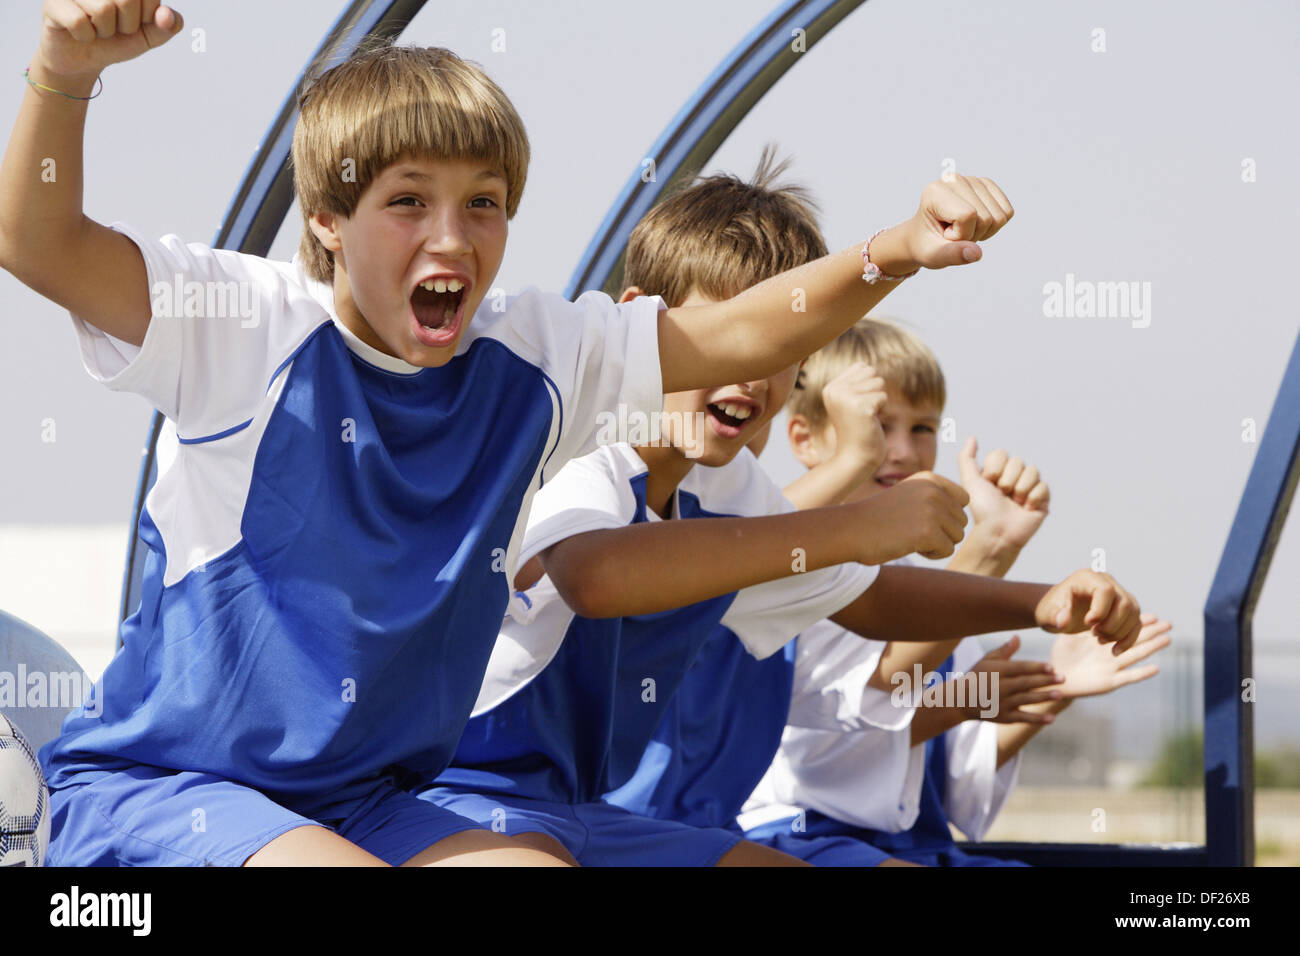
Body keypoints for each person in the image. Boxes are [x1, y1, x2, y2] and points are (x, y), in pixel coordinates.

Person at [1, 5, 1003, 866]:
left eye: (483, 202)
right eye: (407, 201)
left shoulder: (533, 357)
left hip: (373, 796)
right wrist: (65, 69)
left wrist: (897, 248)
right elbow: (35, 240)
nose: (452, 235)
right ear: (323, 224)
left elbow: (742, 327)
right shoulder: (240, 324)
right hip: (171, 781)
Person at [418, 153, 1143, 866]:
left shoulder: (729, 494)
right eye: (728, 338)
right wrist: (857, 525)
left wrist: (1041, 602)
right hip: (456, 796)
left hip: (580, 810)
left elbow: (873, 601)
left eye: (784, 347)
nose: (752, 371)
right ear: (646, 326)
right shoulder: (582, 440)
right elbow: (596, 576)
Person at [732, 319, 1172, 865]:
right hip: (797, 837)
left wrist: (1053, 685)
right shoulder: (793, 560)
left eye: (922, 428)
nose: (901, 450)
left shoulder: (929, 584)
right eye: (878, 424)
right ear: (805, 437)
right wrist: (990, 550)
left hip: (908, 841)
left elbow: (957, 776)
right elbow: (840, 732)